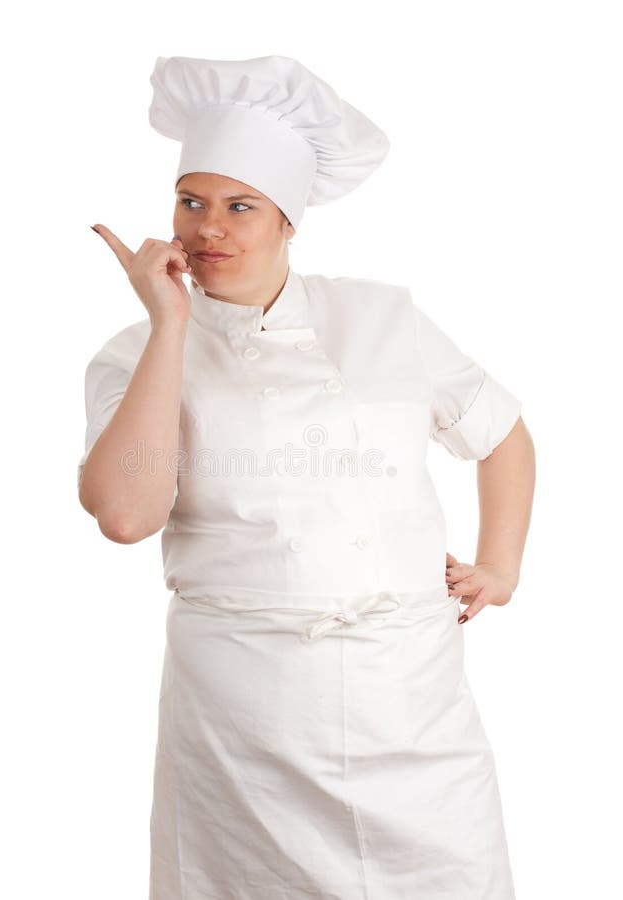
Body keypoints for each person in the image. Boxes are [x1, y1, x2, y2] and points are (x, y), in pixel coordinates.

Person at [78, 54, 535, 900]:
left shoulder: (381, 316)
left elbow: (501, 431)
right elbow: (125, 515)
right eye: (191, 202)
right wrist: (169, 328)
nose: (208, 227)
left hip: (407, 701)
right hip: (243, 714)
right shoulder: (132, 355)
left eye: (240, 206)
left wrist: (500, 567)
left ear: (290, 221)